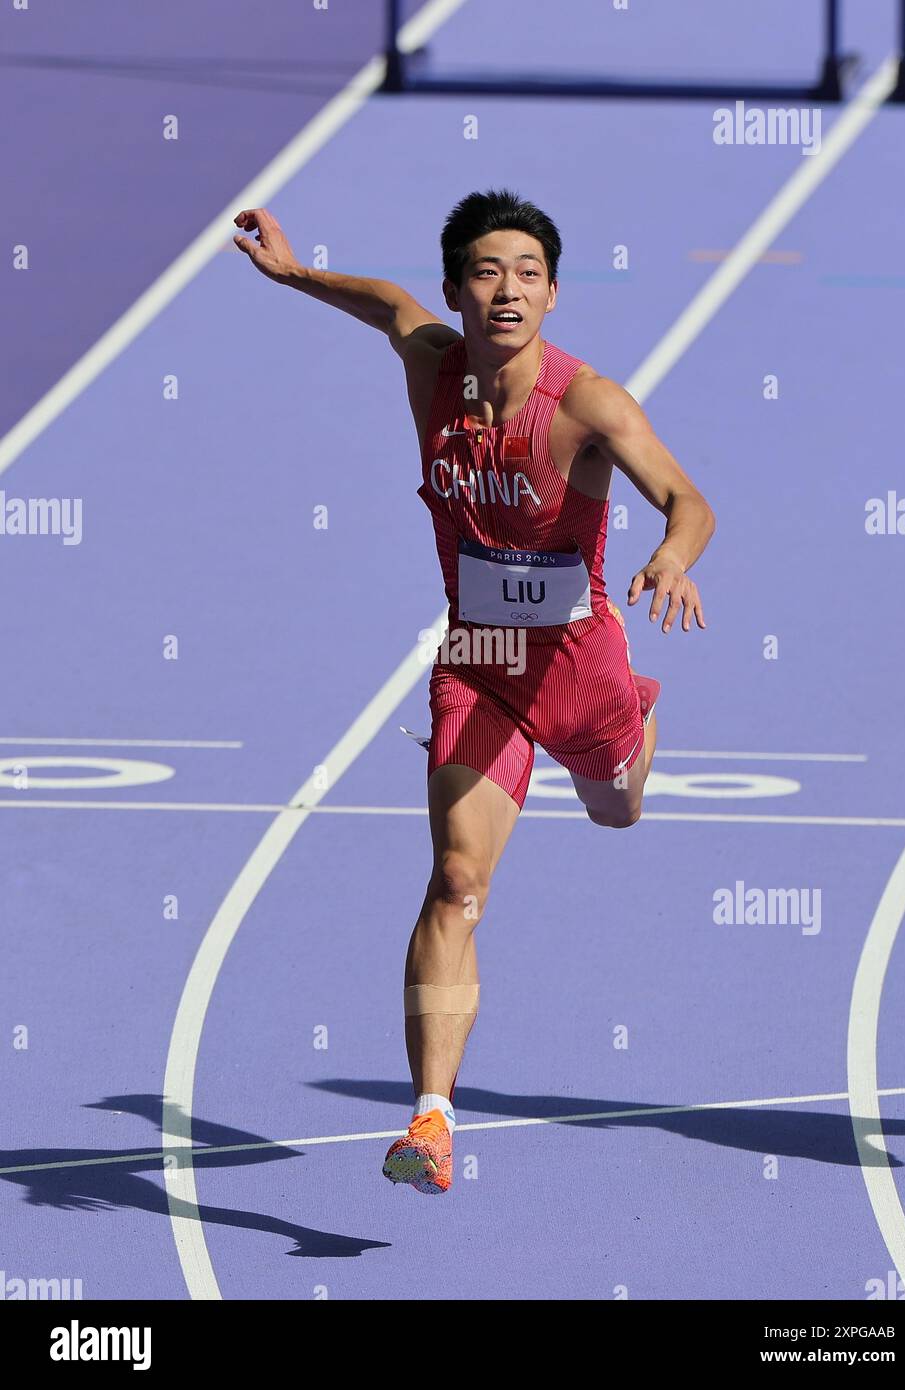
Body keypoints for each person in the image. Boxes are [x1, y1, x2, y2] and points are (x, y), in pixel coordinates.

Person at [234, 188, 715, 1196]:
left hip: (582, 670)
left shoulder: (589, 403)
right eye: (489, 271)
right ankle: (434, 1121)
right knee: (456, 881)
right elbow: (386, 304)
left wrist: (673, 555)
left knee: (617, 811)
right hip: (479, 665)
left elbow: (686, 497)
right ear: (460, 288)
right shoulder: (434, 365)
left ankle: (643, 714)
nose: (509, 289)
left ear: (550, 295)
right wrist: (296, 273)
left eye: (531, 274)